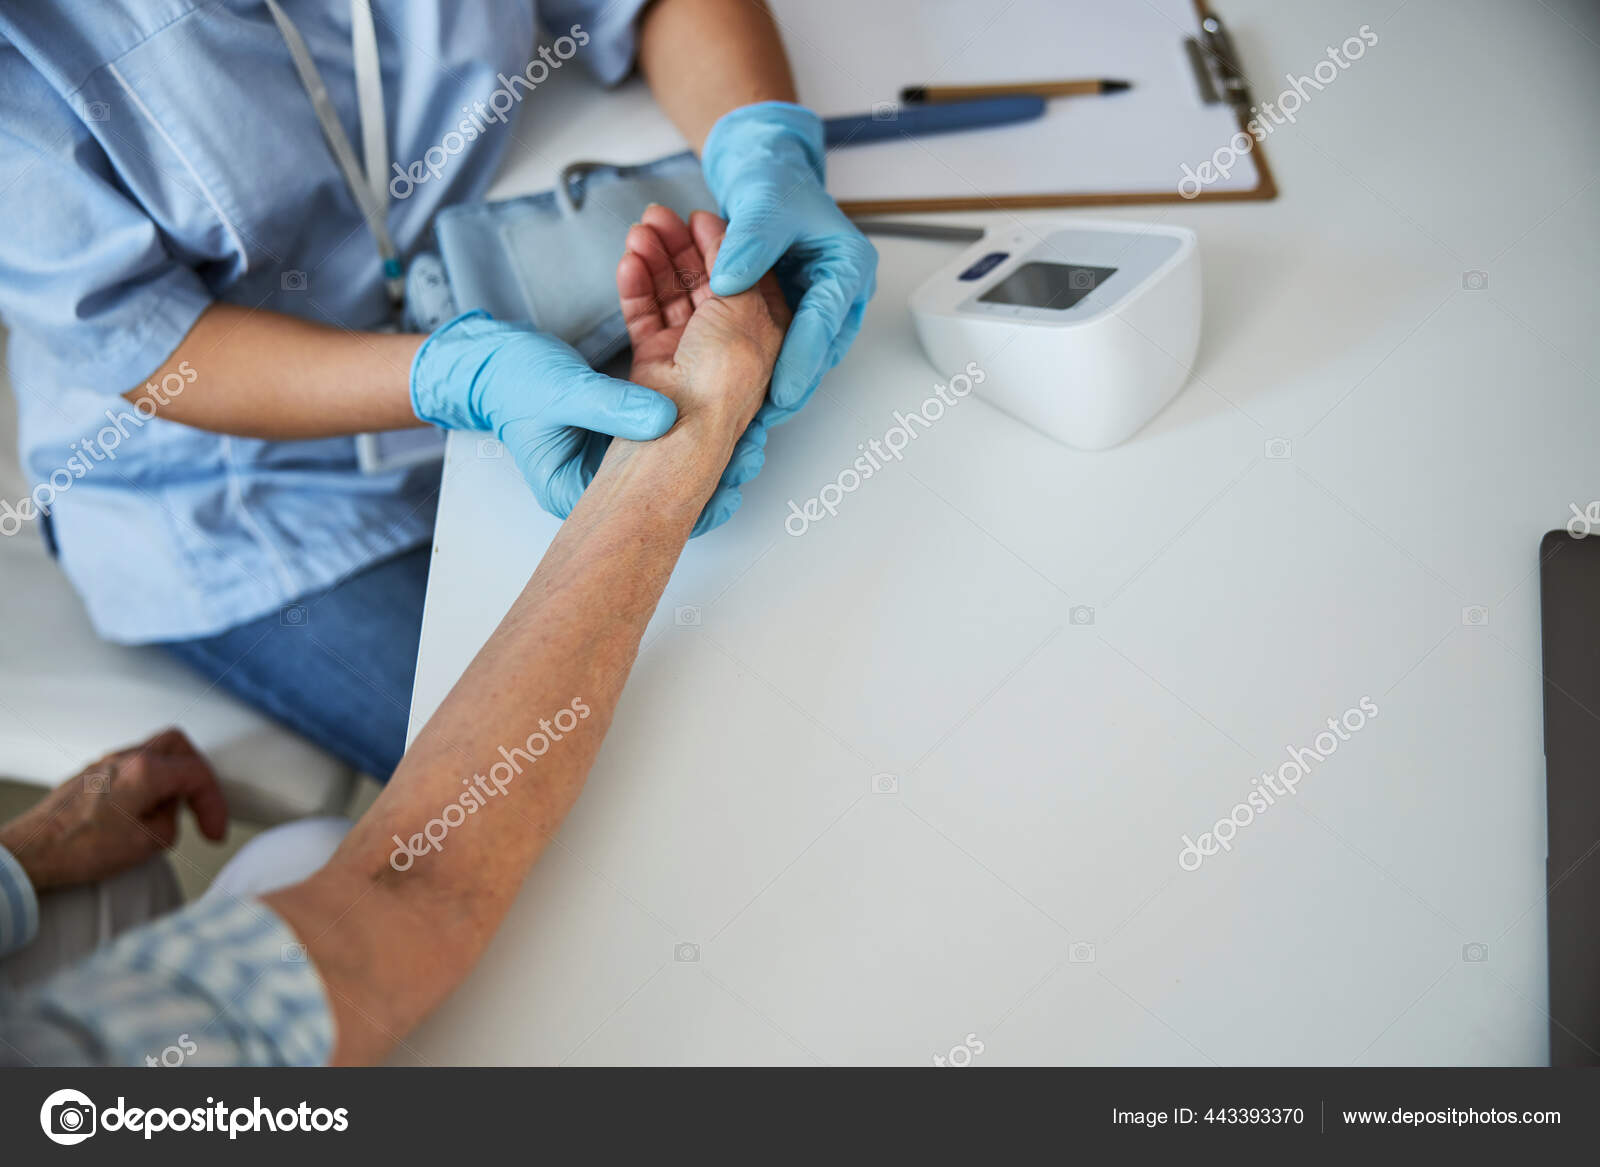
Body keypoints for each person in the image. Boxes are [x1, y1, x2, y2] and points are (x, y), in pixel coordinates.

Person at [0, 1, 876, 783]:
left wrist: (763, 148)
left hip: (498, 316)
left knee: (805, 663)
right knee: (617, 784)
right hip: (252, 498)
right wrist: (456, 378)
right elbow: (151, 342)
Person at [0, 205, 788, 1065]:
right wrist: (680, 445)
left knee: (307, 851)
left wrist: (20, 861)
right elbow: (404, 900)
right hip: (222, 513)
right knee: (646, 869)